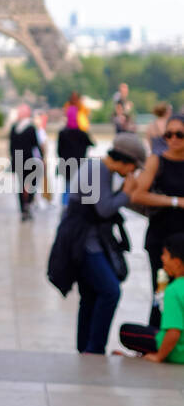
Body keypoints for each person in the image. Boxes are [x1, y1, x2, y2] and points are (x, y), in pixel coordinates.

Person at [46, 133, 179, 355]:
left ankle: (86, 349)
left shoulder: (100, 169)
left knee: (90, 294)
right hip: (84, 241)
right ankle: (95, 348)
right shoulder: (97, 170)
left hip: (86, 238)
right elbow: (105, 208)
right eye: (133, 167)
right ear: (124, 161)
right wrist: (127, 193)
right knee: (110, 291)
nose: (133, 173)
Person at [130, 113, 184, 328]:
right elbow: (137, 195)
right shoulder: (157, 161)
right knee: (161, 291)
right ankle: (157, 339)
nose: (173, 139)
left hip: (183, 240)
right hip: (161, 238)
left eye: (179, 134)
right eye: (168, 135)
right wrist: (174, 201)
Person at [117, 233, 184, 362]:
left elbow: (174, 332)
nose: (162, 258)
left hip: (177, 353)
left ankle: (146, 356)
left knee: (126, 331)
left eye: (165, 254)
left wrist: (159, 357)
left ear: (176, 263)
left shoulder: (173, 290)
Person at [9, 104, 44, 221]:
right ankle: (28, 204)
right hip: (29, 159)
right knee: (32, 183)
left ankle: (22, 207)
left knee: (21, 185)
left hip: (18, 159)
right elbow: (36, 145)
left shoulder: (14, 128)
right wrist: (42, 158)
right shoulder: (31, 128)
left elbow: (11, 146)